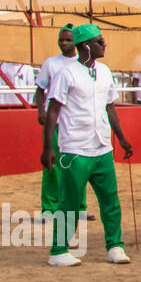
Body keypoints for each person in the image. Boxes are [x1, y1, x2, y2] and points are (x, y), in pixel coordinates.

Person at [40, 24, 133, 267]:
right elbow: (53, 111)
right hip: (74, 149)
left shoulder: (104, 71)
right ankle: (58, 251)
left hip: (102, 147)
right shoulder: (66, 73)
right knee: (69, 202)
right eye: (100, 41)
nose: (105, 45)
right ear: (86, 46)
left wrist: (121, 137)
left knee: (111, 200)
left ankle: (115, 246)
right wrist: (48, 147)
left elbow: (110, 106)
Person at [34, 24, 89, 219]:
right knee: (52, 165)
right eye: (61, 40)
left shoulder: (84, 63)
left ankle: (79, 208)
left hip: (76, 123)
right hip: (55, 122)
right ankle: (49, 209)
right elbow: (39, 91)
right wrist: (41, 110)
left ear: (77, 42)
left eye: (68, 40)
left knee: (79, 165)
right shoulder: (51, 63)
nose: (64, 43)